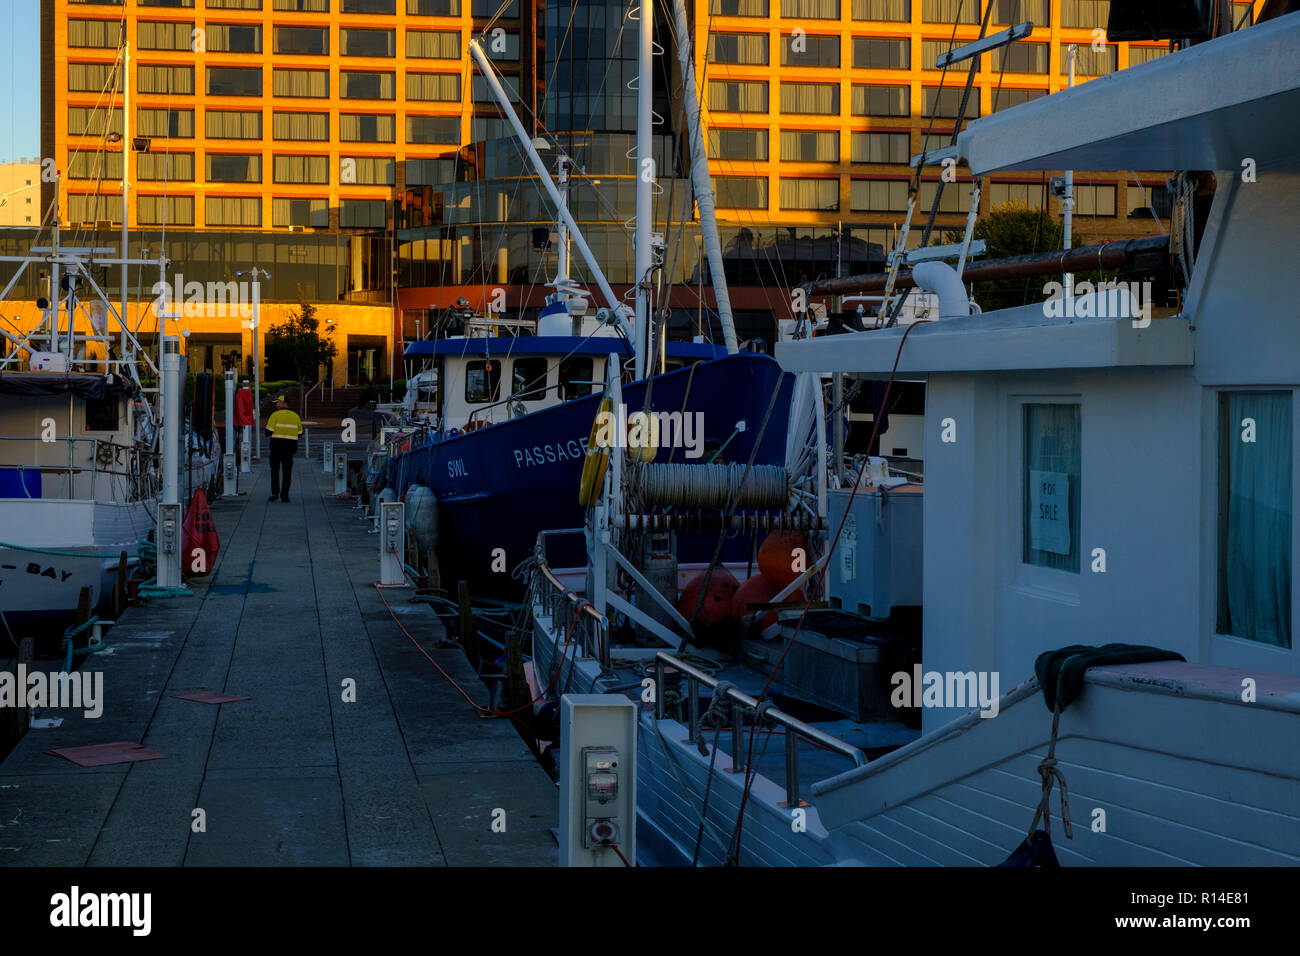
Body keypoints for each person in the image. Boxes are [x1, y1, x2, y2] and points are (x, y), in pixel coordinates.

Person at [265, 395, 303, 502]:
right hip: (289, 449)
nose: (277, 404)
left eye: (278, 402)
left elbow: (268, 432)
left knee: (275, 471)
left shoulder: (275, 415)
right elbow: (300, 433)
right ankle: (284, 495)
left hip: (276, 448)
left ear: (284, 403)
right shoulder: (296, 416)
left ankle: (274, 494)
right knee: (287, 472)